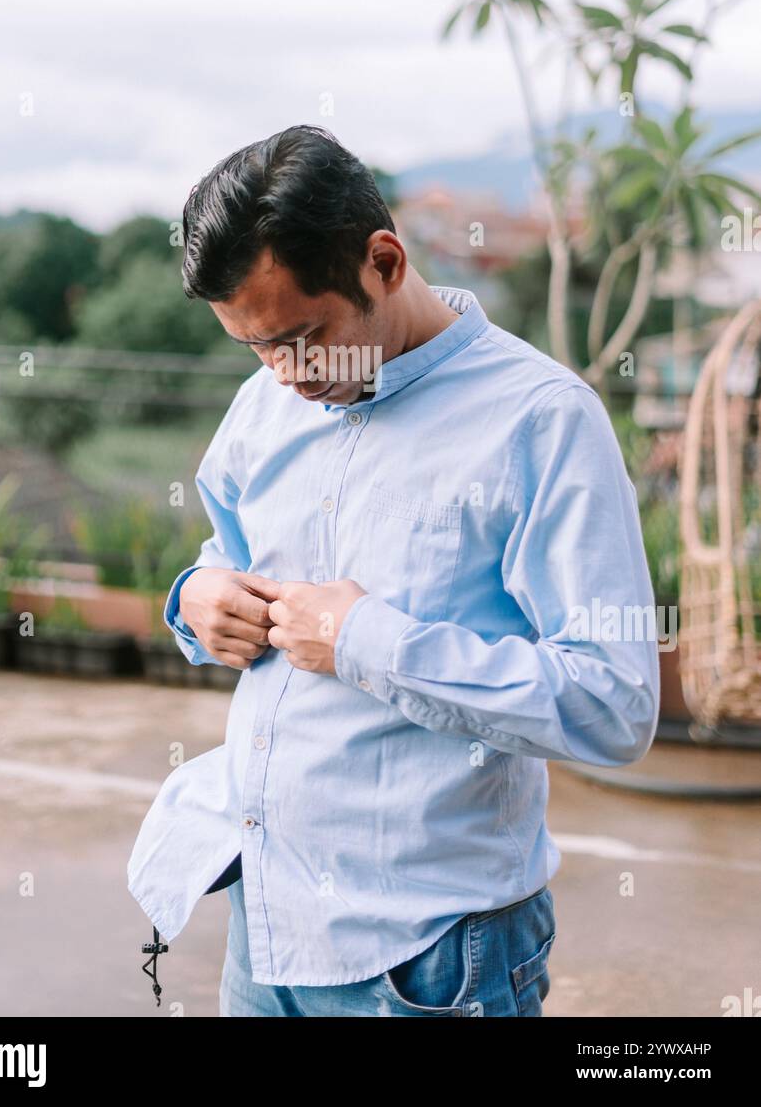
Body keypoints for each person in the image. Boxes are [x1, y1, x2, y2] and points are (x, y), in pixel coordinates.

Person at [127, 123, 660, 1017]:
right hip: (264, 926)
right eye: (254, 347)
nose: (286, 376)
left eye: (303, 338)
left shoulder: (541, 421)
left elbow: (615, 702)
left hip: (429, 959)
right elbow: (230, 557)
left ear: (384, 262)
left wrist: (366, 642)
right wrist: (197, 598)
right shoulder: (264, 406)